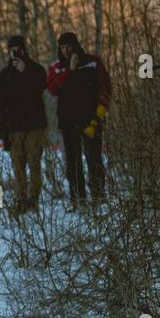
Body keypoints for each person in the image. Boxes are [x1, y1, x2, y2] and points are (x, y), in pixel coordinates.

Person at [46, 31, 111, 207]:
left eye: (69, 46)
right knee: (72, 162)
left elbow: (105, 87)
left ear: (76, 46)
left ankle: (98, 197)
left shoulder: (93, 62)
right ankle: (78, 200)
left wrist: (100, 112)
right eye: (63, 47)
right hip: (68, 120)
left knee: (94, 159)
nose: (66, 50)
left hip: (91, 119)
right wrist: (70, 70)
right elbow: (52, 88)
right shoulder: (56, 67)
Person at [0, 33, 48, 213]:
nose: (15, 53)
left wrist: (26, 71)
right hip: (14, 127)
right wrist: (1, 129)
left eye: (18, 49)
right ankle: (21, 199)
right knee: (18, 166)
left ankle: (33, 199)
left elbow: (41, 85)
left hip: (34, 124)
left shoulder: (36, 70)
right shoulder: (4, 75)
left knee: (34, 162)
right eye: (12, 50)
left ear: (24, 50)